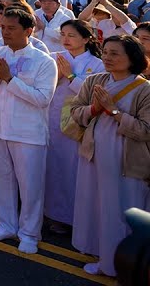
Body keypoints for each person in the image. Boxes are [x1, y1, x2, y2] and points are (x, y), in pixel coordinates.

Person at [0, 8, 57, 254]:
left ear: (29, 31)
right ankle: (6, 225)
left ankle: (30, 233)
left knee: (30, 186)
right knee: (0, 180)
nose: (5, 32)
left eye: (12, 28)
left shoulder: (44, 61)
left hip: (28, 133)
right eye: (3, 28)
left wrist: (10, 79)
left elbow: (42, 99)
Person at [69, 34, 150, 277]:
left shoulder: (144, 89)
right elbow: (75, 111)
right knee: (95, 205)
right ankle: (100, 252)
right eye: (105, 52)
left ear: (132, 58)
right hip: (94, 155)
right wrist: (93, 109)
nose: (107, 57)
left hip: (125, 160)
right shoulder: (95, 80)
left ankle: (118, 265)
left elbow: (146, 131)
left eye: (115, 53)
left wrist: (113, 111)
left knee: (119, 211)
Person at [43, 20, 104, 235]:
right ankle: (51, 213)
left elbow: (93, 94)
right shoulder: (53, 57)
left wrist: (70, 76)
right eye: (63, 34)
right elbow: (42, 88)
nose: (66, 39)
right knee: (52, 167)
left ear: (86, 39)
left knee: (74, 170)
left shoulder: (97, 64)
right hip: (52, 119)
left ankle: (75, 217)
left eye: (72, 35)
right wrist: (56, 76)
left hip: (78, 124)